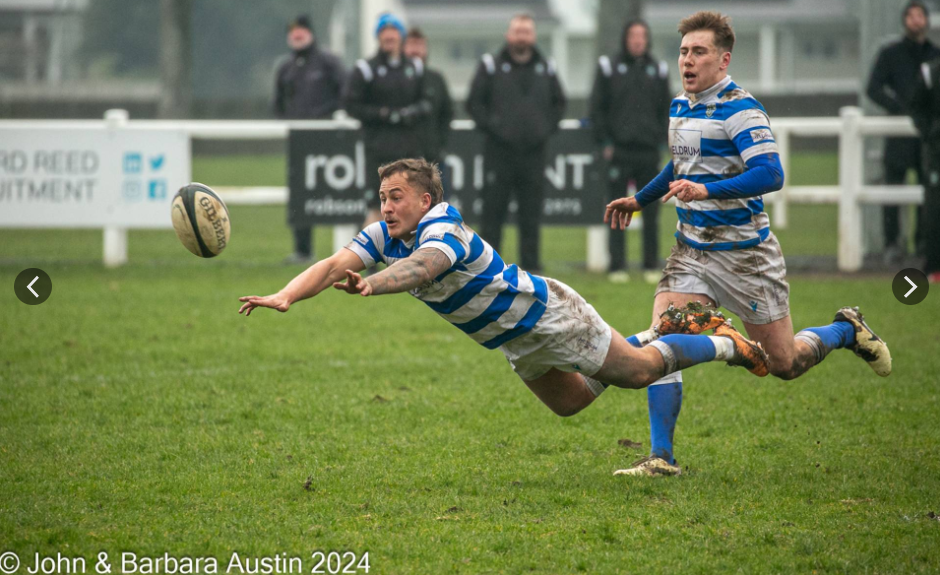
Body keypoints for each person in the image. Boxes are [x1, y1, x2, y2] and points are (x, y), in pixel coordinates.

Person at [238, 158, 772, 445]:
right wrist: (286, 296)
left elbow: (425, 268)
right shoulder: (386, 235)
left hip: (548, 315)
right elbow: (334, 264)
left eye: (395, 197)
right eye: (382, 198)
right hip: (514, 340)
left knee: (638, 373)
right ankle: (658, 333)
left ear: (426, 199)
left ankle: (721, 342)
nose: (386, 207)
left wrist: (373, 285)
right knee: (571, 404)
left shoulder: (444, 228)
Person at [605, 11, 892, 477]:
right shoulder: (680, 105)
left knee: (784, 363)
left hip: (746, 257)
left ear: (723, 60)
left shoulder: (741, 110)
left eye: (699, 52)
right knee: (665, 333)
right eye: (683, 51)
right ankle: (662, 457)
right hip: (691, 250)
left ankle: (845, 330)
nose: (687, 60)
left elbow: (770, 173)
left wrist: (708, 190)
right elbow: (680, 166)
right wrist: (640, 200)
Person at [467, 13, 566, 274]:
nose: (522, 36)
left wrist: (543, 129)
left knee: (531, 216)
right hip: (498, 153)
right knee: (492, 214)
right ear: (508, 35)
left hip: (534, 154)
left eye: (527, 32)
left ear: (533, 36)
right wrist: (496, 128)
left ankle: (531, 269)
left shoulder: (546, 67)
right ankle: (487, 270)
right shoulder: (491, 66)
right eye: (518, 31)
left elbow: (559, 104)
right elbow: (474, 103)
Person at [589, 19, 671, 284]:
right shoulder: (609, 68)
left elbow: (666, 109)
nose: (637, 40)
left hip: (648, 152)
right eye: (633, 36)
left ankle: (650, 264)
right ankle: (617, 266)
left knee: (651, 211)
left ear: (647, 40)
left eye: (642, 36)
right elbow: (597, 108)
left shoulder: (658, 69)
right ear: (625, 39)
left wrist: (662, 140)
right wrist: (605, 142)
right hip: (619, 151)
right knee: (617, 209)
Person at [866, 1, 940, 262]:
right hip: (898, 134)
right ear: (904, 20)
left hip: (927, 135)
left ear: (926, 20)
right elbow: (873, 88)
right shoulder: (891, 54)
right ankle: (892, 243)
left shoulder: (935, 54)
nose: (916, 20)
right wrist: (899, 107)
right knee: (892, 188)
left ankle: (923, 243)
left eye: (920, 15)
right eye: (911, 16)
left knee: (928, 192)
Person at [344, 13, 432, 228]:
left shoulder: (415, 68)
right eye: (384, 32)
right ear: (378, 36)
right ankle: (369, 250)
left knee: (412, 206)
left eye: (393, 32)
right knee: (378, 207)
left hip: (410, 151)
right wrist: (382, 114)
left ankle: (412, 251)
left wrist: (412, 112)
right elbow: (351, 105)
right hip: (378, 151)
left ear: (401, 36)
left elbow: (429, 101)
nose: (389, 36)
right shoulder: (366, 69)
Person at [275, 14, 347, 265]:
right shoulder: (286, 67)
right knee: (300, 195)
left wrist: (330, 119)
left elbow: (346, 93)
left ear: (311, 33)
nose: (296, 35)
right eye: (292, 31)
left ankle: (355, 248)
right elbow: (278, 104)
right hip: (298, 142)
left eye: (301, 30)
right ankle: (303, 251)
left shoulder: (328, 62)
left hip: (329, 142)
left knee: (343, 195)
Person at [403, 28, 454, 177]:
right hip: (401, 158)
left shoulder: (436, 79)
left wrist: (439, 145)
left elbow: (447, 113)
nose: (415, 50)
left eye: (420, 45)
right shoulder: (394, 80)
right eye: (411, 44)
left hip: (432, 157)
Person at [910, 53, 940, 283]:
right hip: (937, 153)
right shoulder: (930, 72)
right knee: (935, 209)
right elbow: (916, 108)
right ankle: (934, 266)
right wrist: (930, 132)